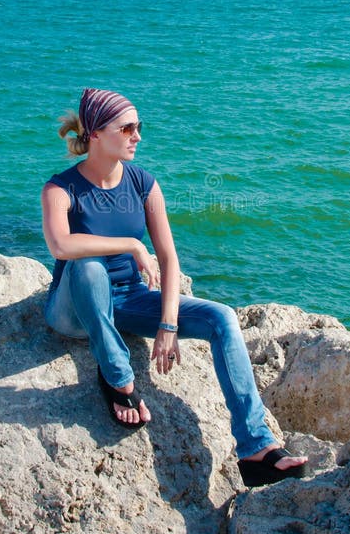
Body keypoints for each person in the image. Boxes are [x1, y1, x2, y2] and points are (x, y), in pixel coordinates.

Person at [41, 88, 307, 487]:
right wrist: (131, 245)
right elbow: (61, 244)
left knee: (221, 318)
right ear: (95, 133)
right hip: (73, 309)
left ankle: (256, 448)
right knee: (89, 267)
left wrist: (167, 324)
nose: (137, 136)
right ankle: (119, 378)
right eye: (127, 127)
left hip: (129, 301)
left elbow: (168, 259)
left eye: (138, 127)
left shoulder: (144, 184)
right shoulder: (60, 189)